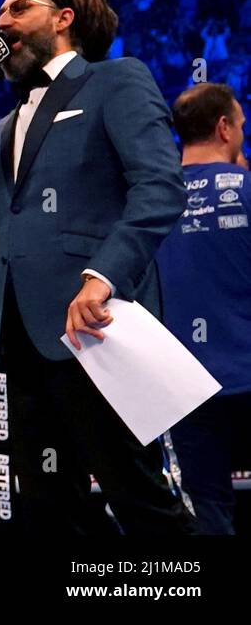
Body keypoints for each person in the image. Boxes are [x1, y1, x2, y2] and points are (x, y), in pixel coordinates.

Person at [0, 0, 194, 535]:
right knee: (49, 507)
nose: (1, 22)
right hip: (19, 339)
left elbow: (160, 187)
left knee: (141, 498)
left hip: (99, 328)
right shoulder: (2, 129)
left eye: (18, 8)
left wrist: (104, 275)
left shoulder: (116, 80)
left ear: (64, 18)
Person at [155, 82, 249, 534]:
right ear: (224, 127)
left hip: (184, 385)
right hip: (244, 373)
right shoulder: (248, 189)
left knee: (207, 513)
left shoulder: (148, 203)